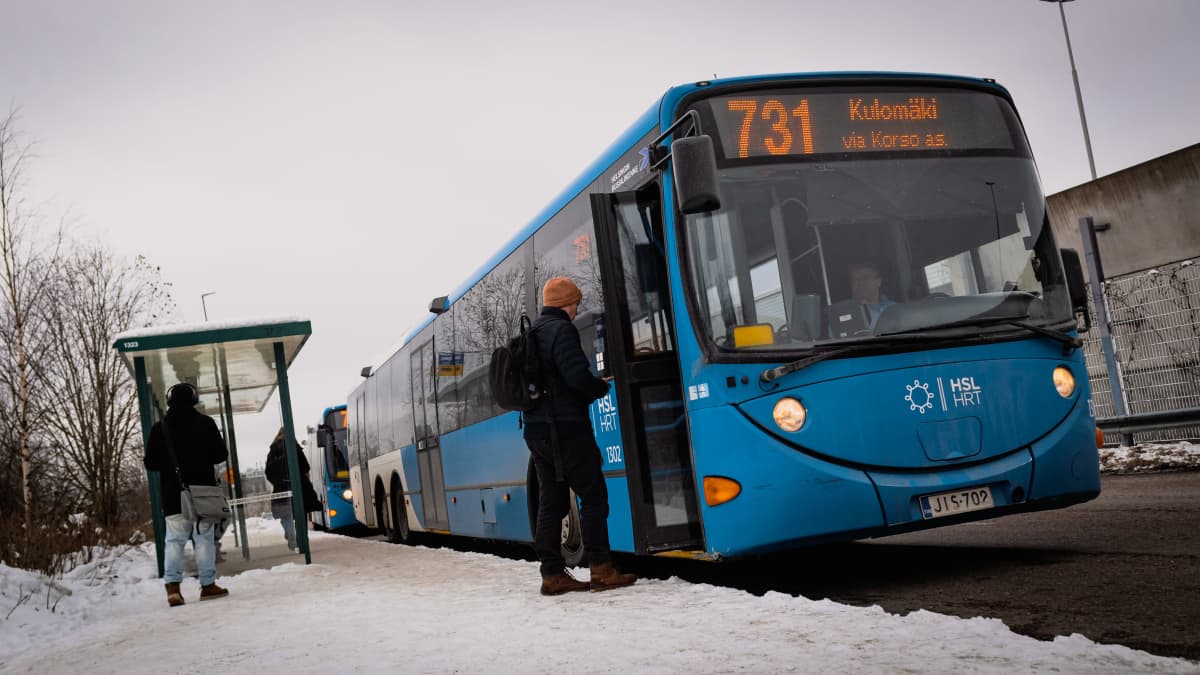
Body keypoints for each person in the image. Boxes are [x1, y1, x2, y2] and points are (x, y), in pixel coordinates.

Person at [524, 276, 637, 595]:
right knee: (593, 496)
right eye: (575, 303)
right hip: (565, 429)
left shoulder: (534, 331)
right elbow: (576, 379)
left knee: (551, 501)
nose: (576, 309)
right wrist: (600, 386)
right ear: (566, 303)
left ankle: (552, 574)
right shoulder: (561, 330)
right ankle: (601, 569)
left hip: (536, 430)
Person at [143, 382, 230, 607]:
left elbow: (150, 462)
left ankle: (173, 589)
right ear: (194, 399)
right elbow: (221, 454)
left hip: (173, 495)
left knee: (174, 540)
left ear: (169, 400)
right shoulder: (206, 423)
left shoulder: (159, 428)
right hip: (202, 493)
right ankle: (208, 585)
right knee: (203, 539)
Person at [264, 427, 316, 552]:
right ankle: (303, 542)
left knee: (285, 513)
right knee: (300, 514)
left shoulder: (272, 451)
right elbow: (305, 467)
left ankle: (289, 532)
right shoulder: (294, 447)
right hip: (298, 486)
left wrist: (277, 482)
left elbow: (268, 472)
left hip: (280, 487)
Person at [848, 262, 895, 329]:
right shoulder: (844, 314)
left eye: (865, 278)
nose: (860, 283)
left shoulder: (894, 309)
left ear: (878, 282)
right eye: (855, 280)